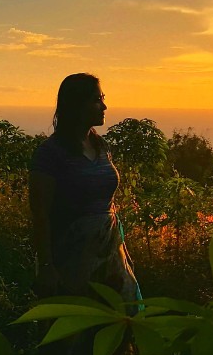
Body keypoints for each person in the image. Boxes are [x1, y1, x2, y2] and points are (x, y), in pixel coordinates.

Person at [29, 73, 139, 307]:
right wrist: (46, 266)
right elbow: (40, 214)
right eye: (97, 100)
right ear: (77, 105)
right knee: (77, 320)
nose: (104, 106)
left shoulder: (101, 147)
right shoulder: (50, 154)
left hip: (109, 252)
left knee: (121, 318)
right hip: (71, 256)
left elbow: (107, 202)